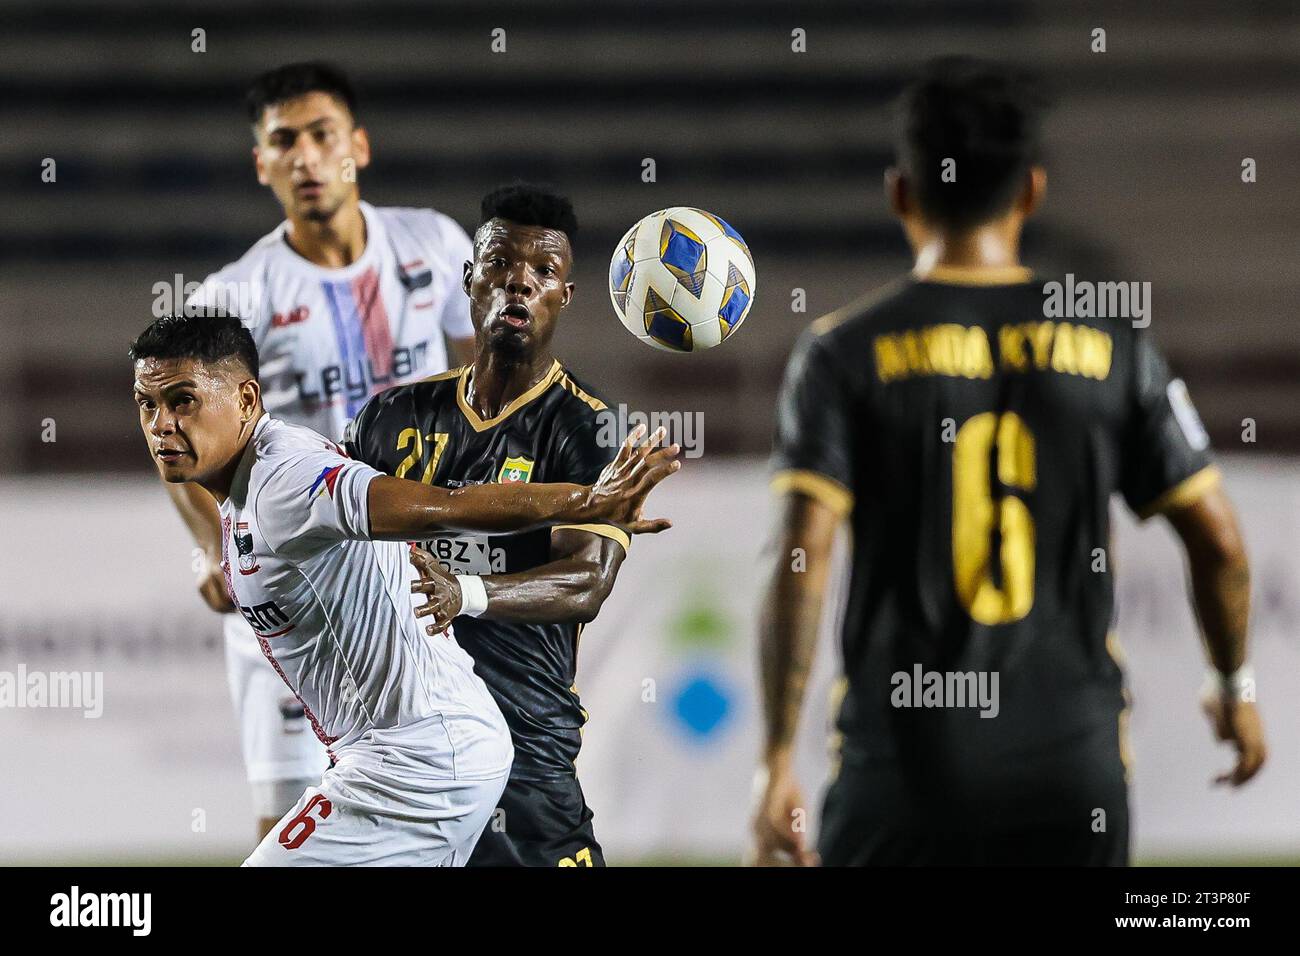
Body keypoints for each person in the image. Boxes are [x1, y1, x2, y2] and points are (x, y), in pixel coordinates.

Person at [751, 56, 1265, 867]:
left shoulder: (843, 353)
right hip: (1068, 774)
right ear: (1031, 190)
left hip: (904, 775)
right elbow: (1222, 544)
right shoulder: (1112, 345)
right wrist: (1233, 687)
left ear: (900, 193)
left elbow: (802, 555)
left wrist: (776, 757)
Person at [130, 312, 678, 865]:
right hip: (419, 751)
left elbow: (446, 509)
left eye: (183, 400)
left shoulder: (286, 480)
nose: (161, 424)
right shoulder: (249, 487)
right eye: (147, 404)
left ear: (247, 400)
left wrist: (586, 502)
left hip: (418, 762)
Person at [169, 61, 478, 838]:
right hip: (292, 590)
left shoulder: (435, 245)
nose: (305, 156)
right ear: (262, 164)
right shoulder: (232, 297)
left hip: (413, 585)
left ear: (358, 147)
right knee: (290, 828)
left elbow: (483, 390)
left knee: (446, 802)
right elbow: (175, 437)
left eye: (321, 135)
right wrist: (213, 547)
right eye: (284, 142)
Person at [347, 183, 625, 866]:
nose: (519, 282)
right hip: (403, 749)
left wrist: (465, 593)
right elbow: (336, 557)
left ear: (564, 296)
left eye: (544, 272)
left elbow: (587, 582)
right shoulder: (391, 418)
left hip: (524, 750)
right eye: (500, 263)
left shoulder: (589, 428)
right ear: (469, 280)